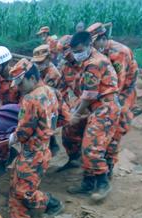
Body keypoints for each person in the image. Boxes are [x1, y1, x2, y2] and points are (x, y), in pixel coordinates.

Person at [7, 59, 64, 218]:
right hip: (42, 147)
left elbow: (24, 131)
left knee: (24, 191)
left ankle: (50, 203)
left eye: (21, 83)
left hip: (33, 151)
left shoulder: (30, 99)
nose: (19, 88)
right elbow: (61, 116)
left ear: (32, 77)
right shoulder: (51, 91)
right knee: (16, 184)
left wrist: (14, 137)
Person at [66, 31, 120, 202]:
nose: (76, 54)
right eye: (74, 51)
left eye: (79, 50)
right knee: (87, 144)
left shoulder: (94, 64)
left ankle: (103, 183)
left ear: (89, 45)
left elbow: (89, 94)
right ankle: (88, 183)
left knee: (91, 147)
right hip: (99, 106)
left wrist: (76, 114)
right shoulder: (93, 59)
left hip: (104, 107)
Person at [87, 23, 138, 178]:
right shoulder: (98, 54)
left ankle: (108, 168)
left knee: (114, 130)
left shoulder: (118, 53)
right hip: (108, 94)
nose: (93, 46)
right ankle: (95, 168)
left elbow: (117, 84)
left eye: (94, 42)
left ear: (102, 38)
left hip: (122, 95)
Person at [0, 46, 21, 177]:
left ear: (6, 63)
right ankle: (2, 163)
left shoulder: (17, 75)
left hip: (19, 109)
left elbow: (25, 94)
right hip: (3, 110)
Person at [57, 35, 85, 171]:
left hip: (98, 104)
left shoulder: (89, 63)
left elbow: (92, 91)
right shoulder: (66, 68)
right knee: (68, 129)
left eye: (66, 51)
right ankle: (74, 159)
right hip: (81, 105)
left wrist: (75, 108)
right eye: (62, 52)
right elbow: (61, 92)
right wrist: (64, 109)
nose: (65, 55)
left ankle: (100, 176)